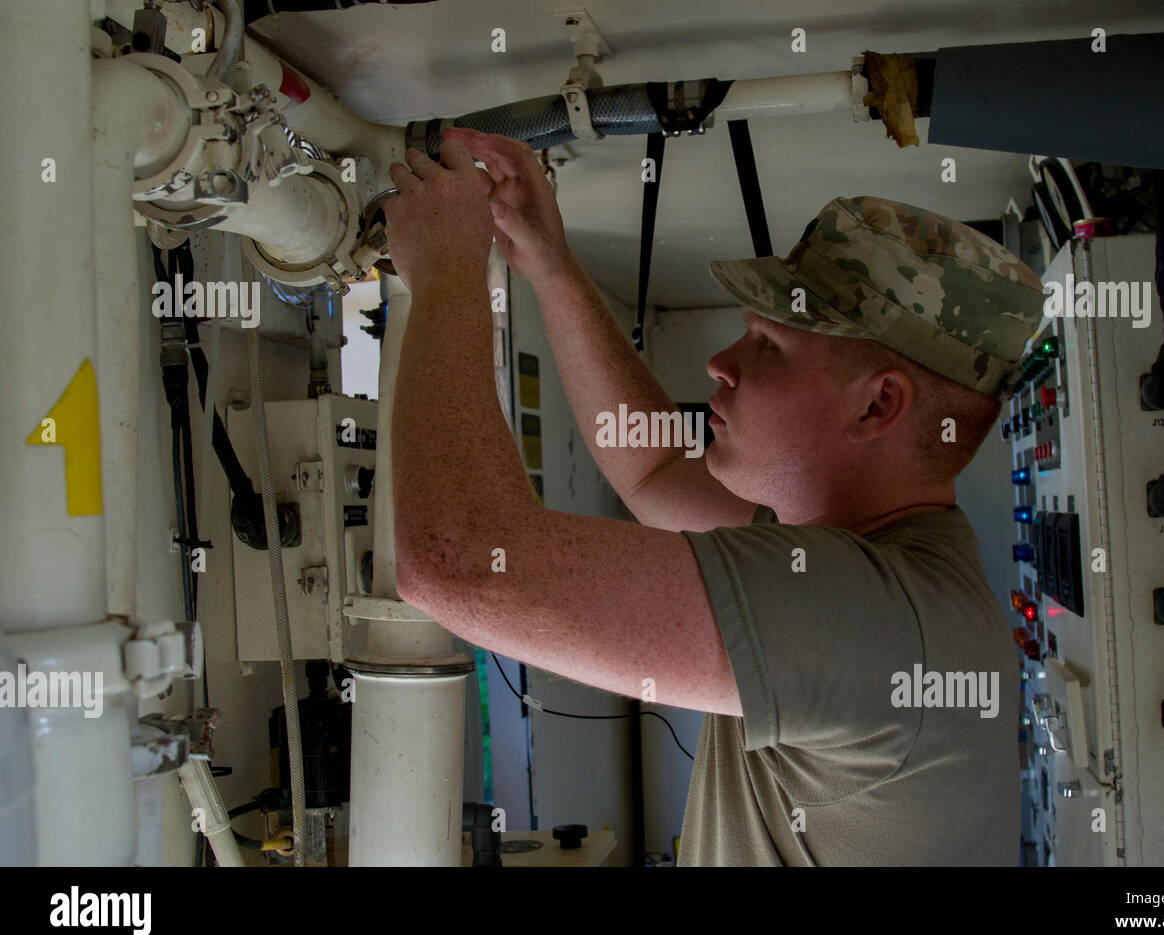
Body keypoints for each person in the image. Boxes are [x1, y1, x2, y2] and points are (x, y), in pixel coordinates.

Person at [382, 127, 1043, 866]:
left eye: (767, 345)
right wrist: (550, 266)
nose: (720, 363)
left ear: (877, 406)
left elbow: (457, 557)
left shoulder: (869, 612)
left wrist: (445, 276)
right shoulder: (865, 559)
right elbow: (654, 470)